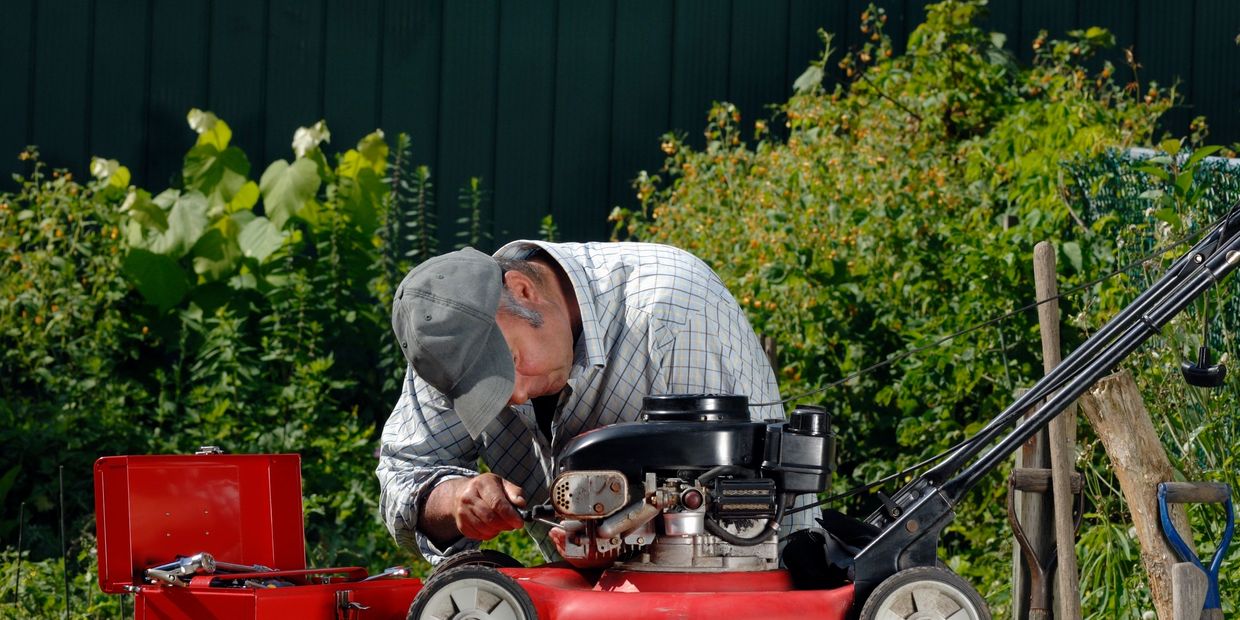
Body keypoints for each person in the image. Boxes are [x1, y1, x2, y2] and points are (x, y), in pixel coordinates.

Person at [376, 240, 815, 565]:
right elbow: (404, 473)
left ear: (524, 291)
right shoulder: (447, 344)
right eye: (481, 390)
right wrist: (453, 499)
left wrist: (617, 534)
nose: (515, 396)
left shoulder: (672, 315)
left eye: (509, 363)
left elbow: (746, 523)